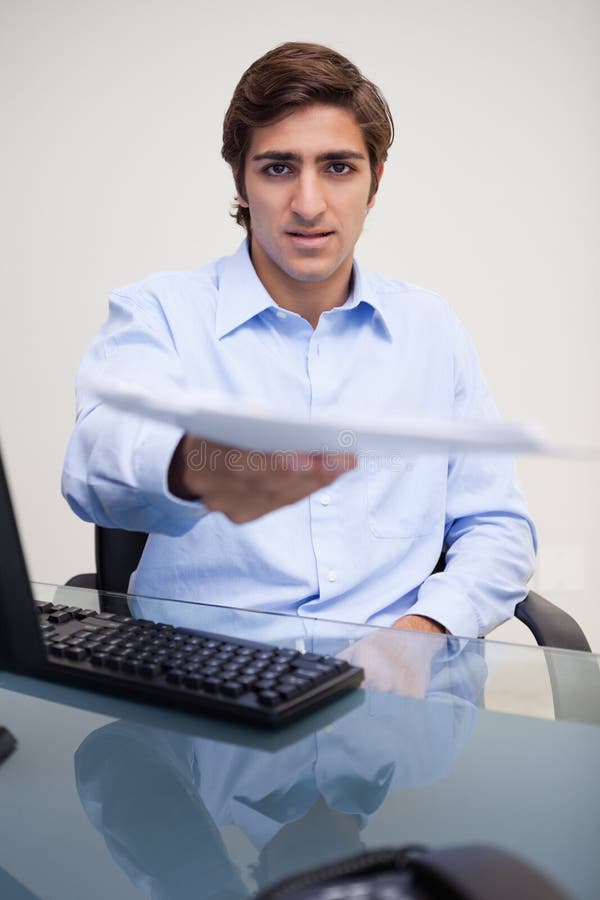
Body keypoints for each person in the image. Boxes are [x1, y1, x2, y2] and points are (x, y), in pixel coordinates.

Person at [62, 42, 536, 638]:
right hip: (201, 688)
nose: (308, 205)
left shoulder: (430, 330)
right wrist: (194, 462)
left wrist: (428, 628)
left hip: (390, 697)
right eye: (278, 167)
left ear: (374, 182)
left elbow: (496, 524)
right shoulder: (158, 313)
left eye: (338, 167)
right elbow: (93, 466)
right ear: (241, 182)